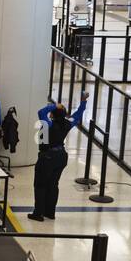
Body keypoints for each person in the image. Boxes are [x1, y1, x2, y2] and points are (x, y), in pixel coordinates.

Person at [28, 90, 89, 222]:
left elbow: (40, 112)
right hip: (61, 157)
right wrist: (83, 102)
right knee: (53, 184)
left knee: (40, 185)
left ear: (53, 114)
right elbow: (77, 116)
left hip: (47, 158)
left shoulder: (48, 124)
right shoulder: (67, 123)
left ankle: (38, 213)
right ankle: (50, 212)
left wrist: (55, 105)